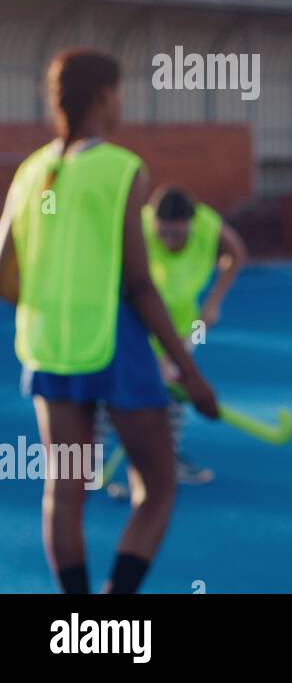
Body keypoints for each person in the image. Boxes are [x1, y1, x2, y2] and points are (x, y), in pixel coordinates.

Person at [0, 49, 219, 594]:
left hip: (51, 349)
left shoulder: (31, 172)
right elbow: (140, 286)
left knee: (64, 489)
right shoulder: (121, 169)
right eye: (119, 92)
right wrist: (190, 375)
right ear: (104, 95)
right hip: (115, 347)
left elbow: (3, 271)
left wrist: (49, 303)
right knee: (159, 488)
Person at [103, 186, 247, 491]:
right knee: (119, 392)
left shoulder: (207, 225)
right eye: (163, 232)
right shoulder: (136, 229)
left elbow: (237, 254)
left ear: (190, 224)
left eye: (177, 233)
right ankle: (86, 461)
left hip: (189, 323)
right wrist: (153, 359)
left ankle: (169, 458)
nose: (169, 239)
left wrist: (213, 302)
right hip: (136, 323)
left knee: (177, 390)